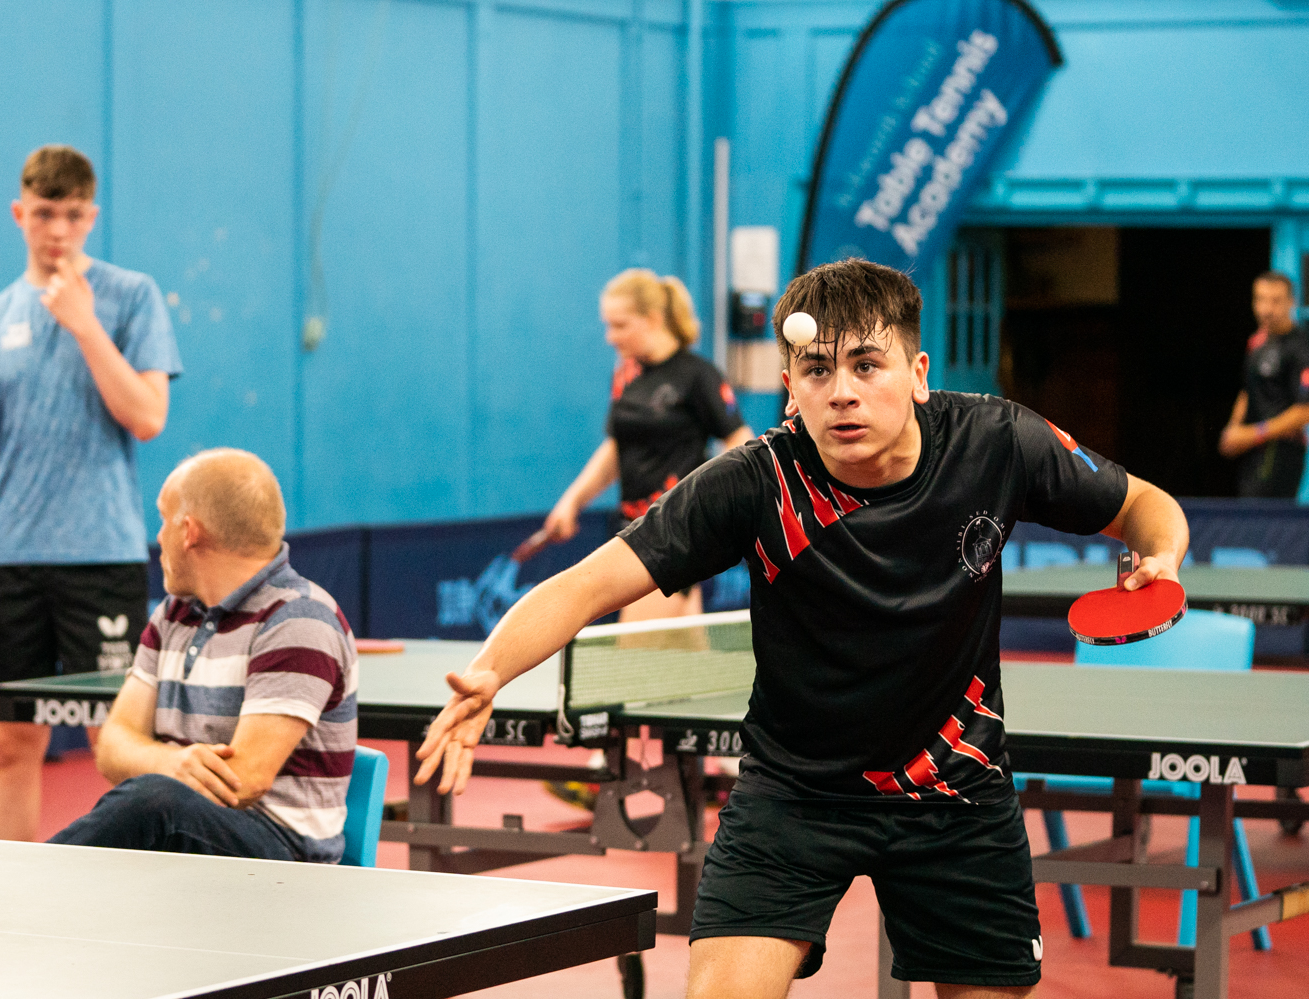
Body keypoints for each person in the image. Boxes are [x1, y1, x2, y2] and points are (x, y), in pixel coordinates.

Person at [416, 259, 1189, 998]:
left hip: (955, 789)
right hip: (793, 796)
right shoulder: (757, 480)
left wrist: (1161, 555)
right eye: (818, 371)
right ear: (790, 390)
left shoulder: (994, 443)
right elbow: (587, 584)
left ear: (917, 374)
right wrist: (491, 669)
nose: (842, 392)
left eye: (865, 364)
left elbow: (1143, 505)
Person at [0, 145, 183, 841]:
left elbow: (148, 416)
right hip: (9, 562)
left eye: (73, 214)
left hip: (101, 559)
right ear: (19, 214)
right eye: (44, 213)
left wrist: (84, 322)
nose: (59, 229)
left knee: (121, 746)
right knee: (11, 741)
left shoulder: (131, 297)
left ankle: (144, 893)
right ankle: (5, 899)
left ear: (91, 216)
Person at [50, 449, 357, 862]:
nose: (158, 537)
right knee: (156, 800)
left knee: (155, 802)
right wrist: (172, 762)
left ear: (188, 531)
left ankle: (28, 884)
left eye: (163, 520)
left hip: (285, 857)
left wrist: (158, 771)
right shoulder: (173, 614)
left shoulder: (299, 619)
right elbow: (111, 746)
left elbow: (242, 781)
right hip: (191, 837)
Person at [540, 268, 755, 621]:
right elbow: (616, 449)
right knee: (680, 659)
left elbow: (740, 443)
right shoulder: (626, 373)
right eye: (608, 325)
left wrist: (717, 508)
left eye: (620, 325)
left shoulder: (698, 376)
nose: (610, 337)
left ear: (653, 319)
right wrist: (572, 501)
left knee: (637, 660)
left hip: (674, 530)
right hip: (632, 526)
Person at [1218, 270, 1309, 498]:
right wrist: (1233, 429)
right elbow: (1247, 390)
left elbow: (1304, 410)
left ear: (1291, 302)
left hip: (1280, 452)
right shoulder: (1257, 342)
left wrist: (1253, 434)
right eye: (1261, 299)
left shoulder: (1301, 347)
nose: (1267, 309)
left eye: (1276, 301)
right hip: (1251, 453)